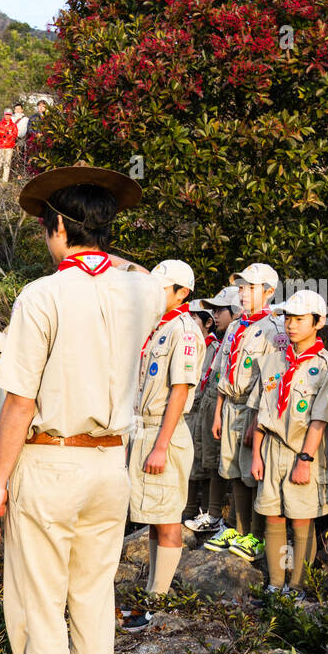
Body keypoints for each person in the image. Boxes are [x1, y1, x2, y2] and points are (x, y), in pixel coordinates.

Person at [0, 164, 165, 654]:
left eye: (47, 226)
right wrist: (104, 251)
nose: (44, 237)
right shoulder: (139, 293)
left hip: (51, 457)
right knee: (92, 602)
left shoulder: (41, 295)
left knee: (39, 605)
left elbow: (18, 402)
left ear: (61, 227)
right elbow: (147, 275)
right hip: (109, 464)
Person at [126, 260, 202, 614]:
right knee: (153, 517)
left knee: (168, 516)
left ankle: (159, 597)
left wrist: (161, 447)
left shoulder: (184, 331)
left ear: (182, 292)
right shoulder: (156, 326)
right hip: (142, 427)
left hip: (163, 431)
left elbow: (180, 392)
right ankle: (153, 589)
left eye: (162, 289)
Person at [249, 290, 328, 596]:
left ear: (318, 322)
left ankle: (296, 587)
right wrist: (257, 453)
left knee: (300, 518)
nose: (291, 325)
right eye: (288, 318)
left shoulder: (326, 366)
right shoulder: (274, 360)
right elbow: (261, 409)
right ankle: (275, 583)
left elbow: (319, 419)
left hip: (302, 451)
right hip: (272, 449)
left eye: (300, 319)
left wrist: (306, 460)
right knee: (273, 514)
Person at [205, 264, 283, 563]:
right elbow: (224, 372)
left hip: (253, 410)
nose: (243, 292)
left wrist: (256, 421)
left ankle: (256, 534)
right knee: (232, 469)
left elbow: (269, 380)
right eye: (241, 287)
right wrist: (217, 413)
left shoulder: (274, 328)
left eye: (250, 287)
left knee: (253, 472)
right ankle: (238, 529)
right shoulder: (237, 326)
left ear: (269, 291)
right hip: (230, 406)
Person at [185, 286, 241, 532]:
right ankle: (211, 514)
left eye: (220, 310)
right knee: (210, 460)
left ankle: (227, 520)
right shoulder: (228, 337)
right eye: (213, 310)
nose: (216, 315)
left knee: (228, 465)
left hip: (237, 408)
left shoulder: (240, 335)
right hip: (212, 405)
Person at [0, 109, 17, 183]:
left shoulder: (13, 125)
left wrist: (5, 134)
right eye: (6, 114)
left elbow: (14, 135)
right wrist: (7, 133)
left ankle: (4, 181)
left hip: (9, 147)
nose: (7, 116)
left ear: (11, 115)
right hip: (0, 146)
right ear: (4, 115)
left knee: (7, 165)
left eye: (9, 115)